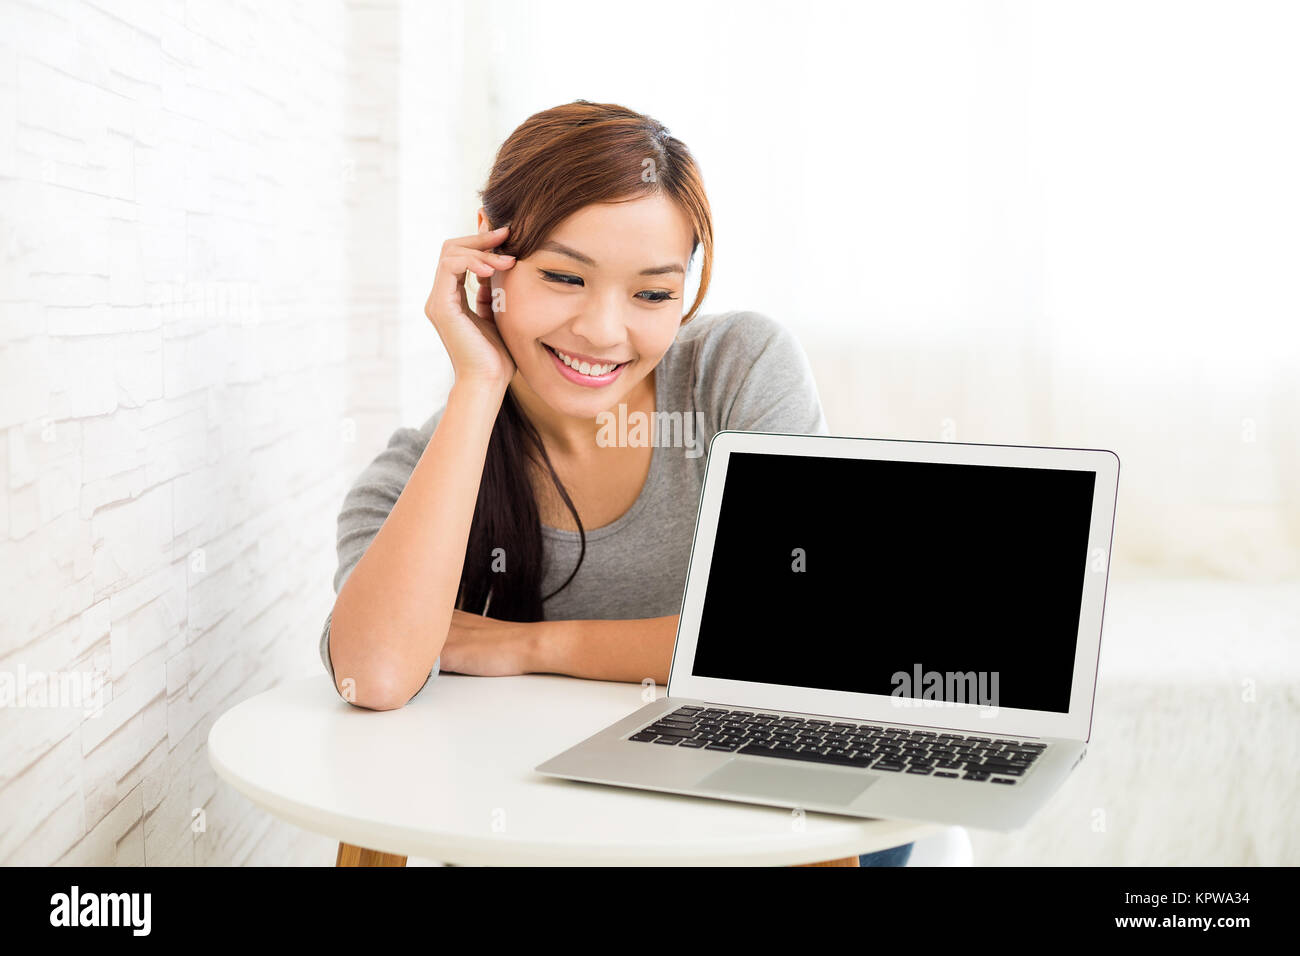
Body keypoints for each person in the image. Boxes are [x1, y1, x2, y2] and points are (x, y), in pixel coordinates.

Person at [319, 100, 912, 868]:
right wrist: (478, 382)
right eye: (564, 277)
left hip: (758, 831)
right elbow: (376, 674)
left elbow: (801, 641)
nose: (603, 331)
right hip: (541, 838)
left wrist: (529, 647)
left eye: (653, 294)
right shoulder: (417, 475)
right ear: (489, 262)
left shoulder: (736, 371)